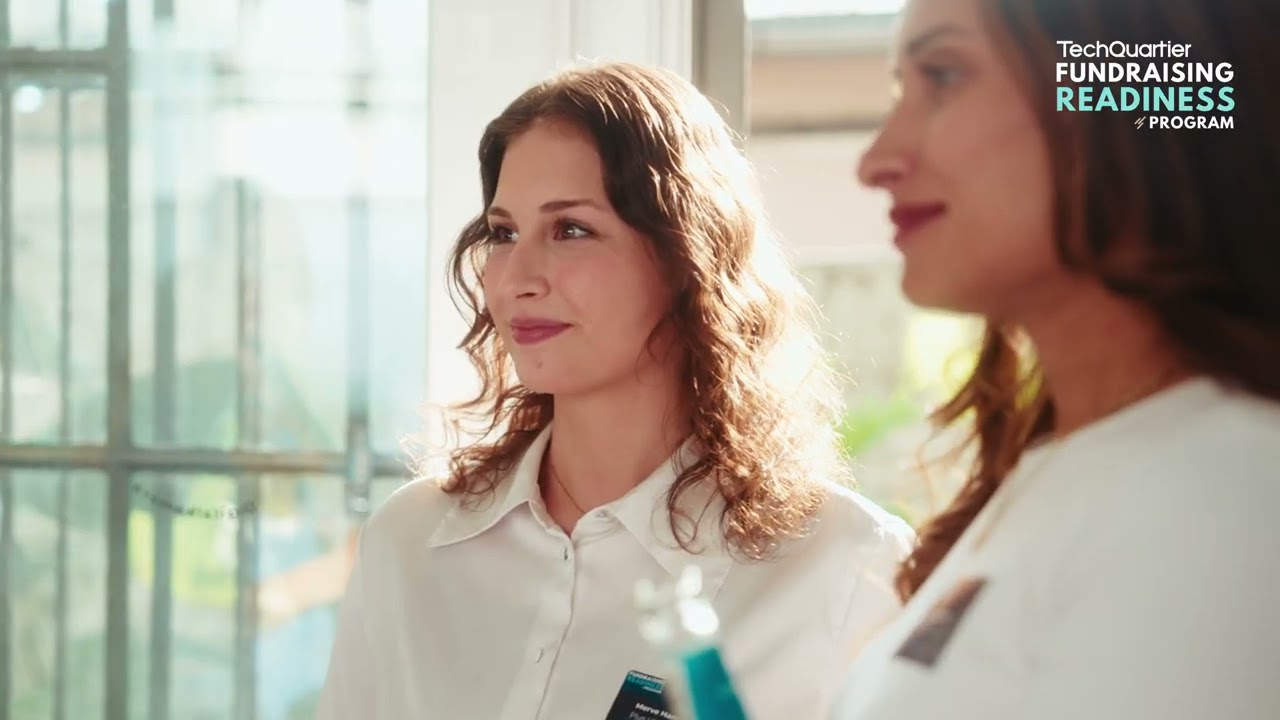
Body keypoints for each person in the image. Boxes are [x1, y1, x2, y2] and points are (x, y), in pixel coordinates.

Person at [316, 61, 913, 720]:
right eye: (504, 233)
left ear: (688, 255)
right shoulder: (408, 544)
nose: (517, 278)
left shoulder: (846, 567)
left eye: (570, 229)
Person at [829, 0, 1280, 718]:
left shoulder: (1218, 501)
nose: (876, 161)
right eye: (899, 90)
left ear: (1131, 102)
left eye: (943, 75)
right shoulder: (1073, 466)